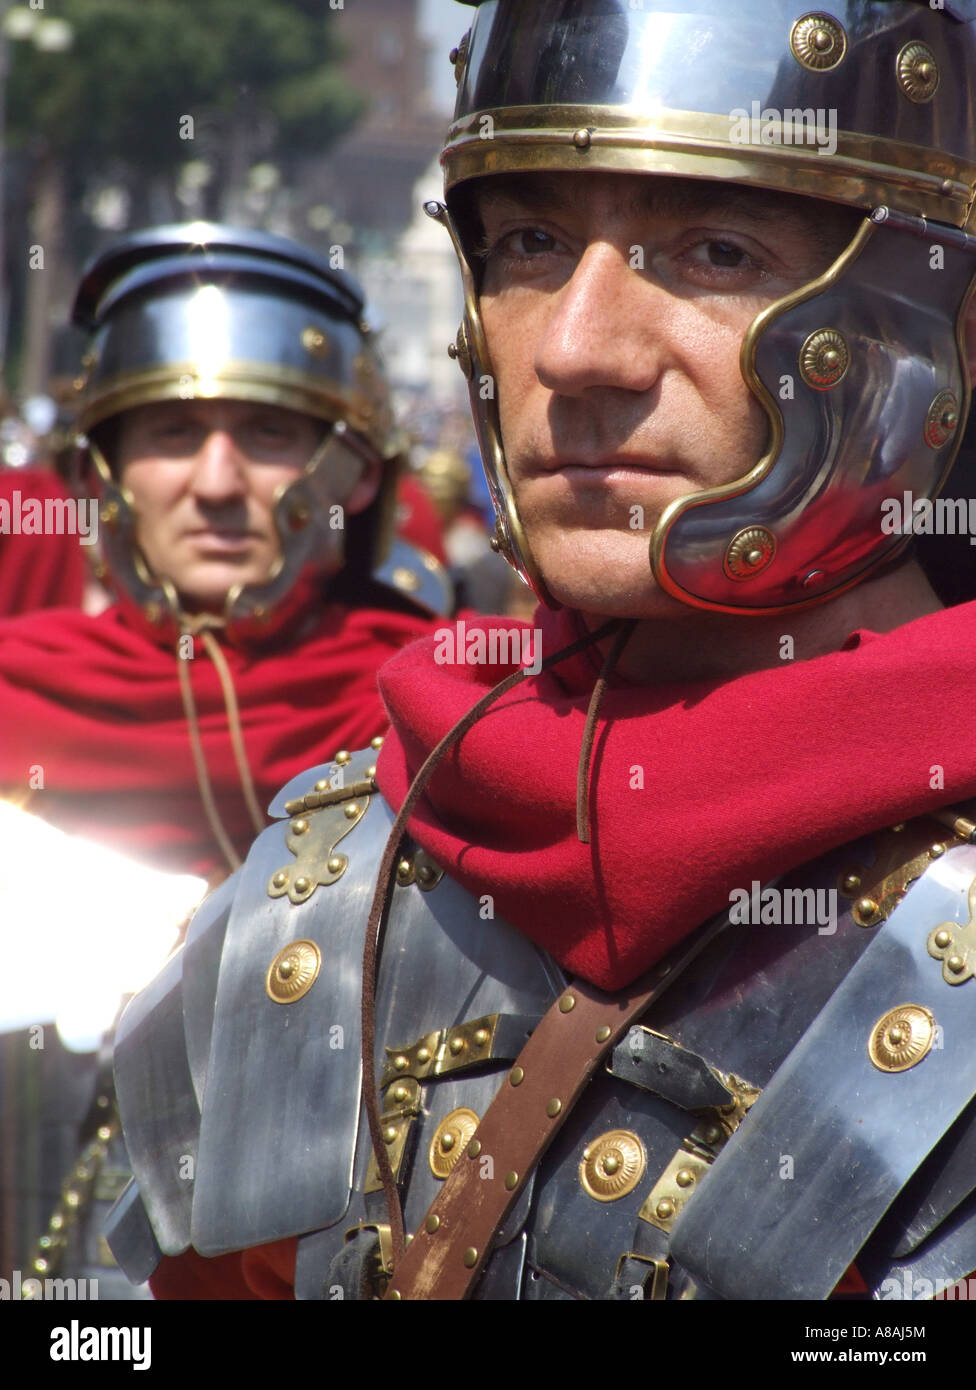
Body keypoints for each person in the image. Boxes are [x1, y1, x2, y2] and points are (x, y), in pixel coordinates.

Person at [109, 1, 976, 1303]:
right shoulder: (328, 871)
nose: (573, 349)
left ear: (941, 329)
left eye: (715, 248)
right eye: (529, 241)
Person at [0, 223, 446, 1296]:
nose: (216, 481)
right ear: (102, 472)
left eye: (265, 431)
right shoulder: (15, 694)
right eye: (169, 431)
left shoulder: (446, 703)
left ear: (346, 466)